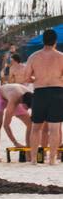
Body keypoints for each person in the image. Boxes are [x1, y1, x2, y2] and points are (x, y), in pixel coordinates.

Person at [26, 28, 63, 165]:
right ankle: (52, 159)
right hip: (57, 92)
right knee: (54, 128)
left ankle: (34, 159)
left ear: (43, 41)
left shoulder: (33, 56)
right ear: (55, 41)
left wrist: (36, 79)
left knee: (36, 127)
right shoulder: (61, 56)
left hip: (40, 92)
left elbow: (26, 77)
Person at [0, 83, 34, 160]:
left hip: (15, 95)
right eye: (26, 108)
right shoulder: (14, 100)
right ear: (23, 102)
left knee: (30, 124)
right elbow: (6, 125)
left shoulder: (30, 96)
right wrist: (15, 143)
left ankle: (28, 153)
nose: (27, 110)